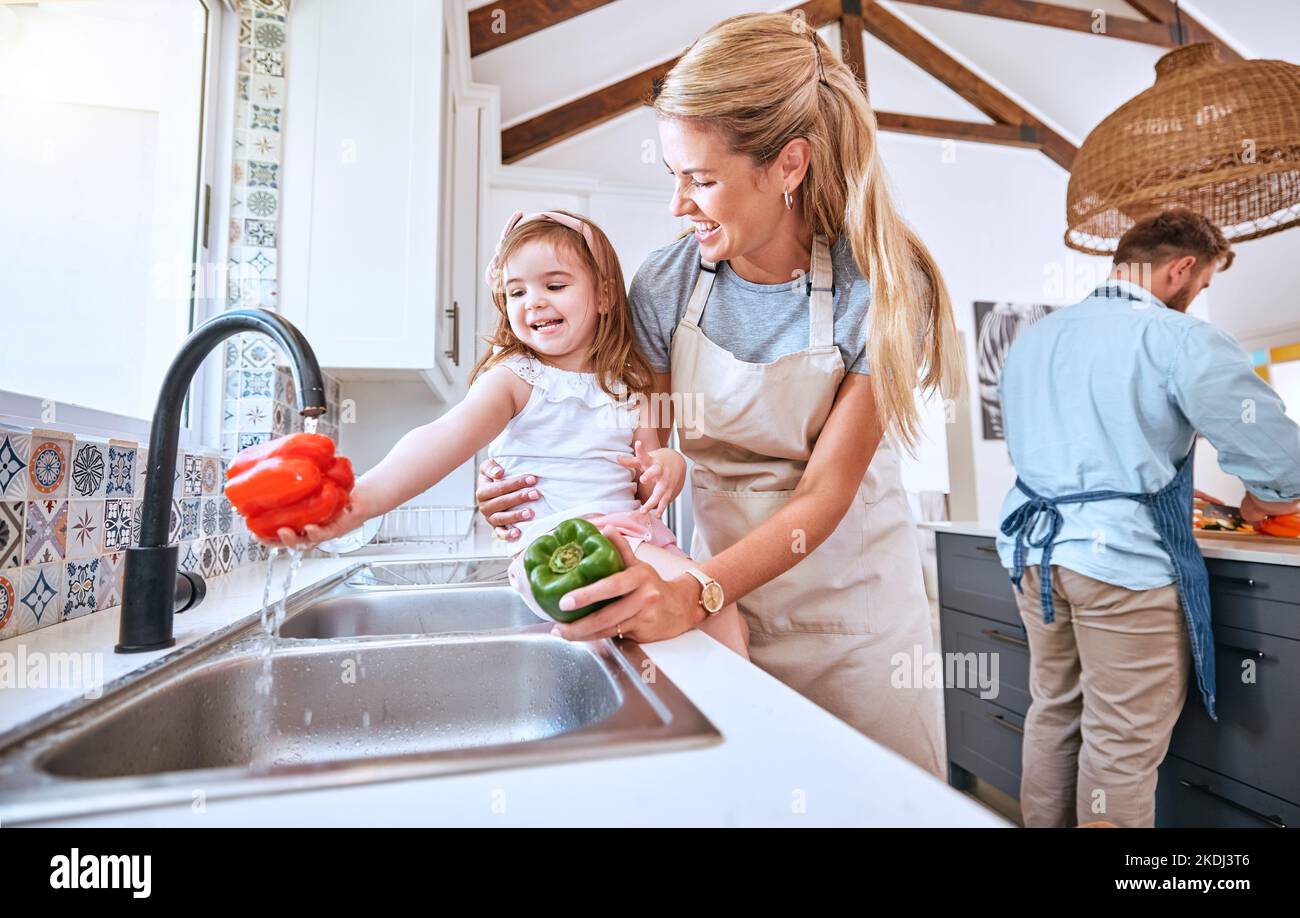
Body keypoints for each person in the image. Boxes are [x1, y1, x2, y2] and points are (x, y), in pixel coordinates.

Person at [476, 13, 964, 777]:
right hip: (718, 612)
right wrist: (527, 477)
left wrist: (703, 589)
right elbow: (636, 445)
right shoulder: (668, 285)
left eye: (701, 179)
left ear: (788, 165)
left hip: (856, 628)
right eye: (673, 175)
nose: (679, 204)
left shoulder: (880, 289)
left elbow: (824, 495)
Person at [260, 208, 749, 657]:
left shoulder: (632, 387)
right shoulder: (514, 379)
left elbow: (647, 475)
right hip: (563, 551)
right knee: (715, 609)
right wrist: (358, 503)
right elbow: (440, 438)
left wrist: (671, 464)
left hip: (633, 538)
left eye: (554, 286)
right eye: (517, 292)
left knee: (687, 634)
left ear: (602, 295)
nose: (533, 301)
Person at [996, 208, 1300, 827]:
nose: (1196, 299)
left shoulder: (1035, 339)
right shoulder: (1174, 337)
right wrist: (1265, 500)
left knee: (1054, 712)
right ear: (1180, 269)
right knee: (1120, 745)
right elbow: (1279, 460)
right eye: (1203, 285)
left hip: (1034, 555)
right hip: (1122, 565)